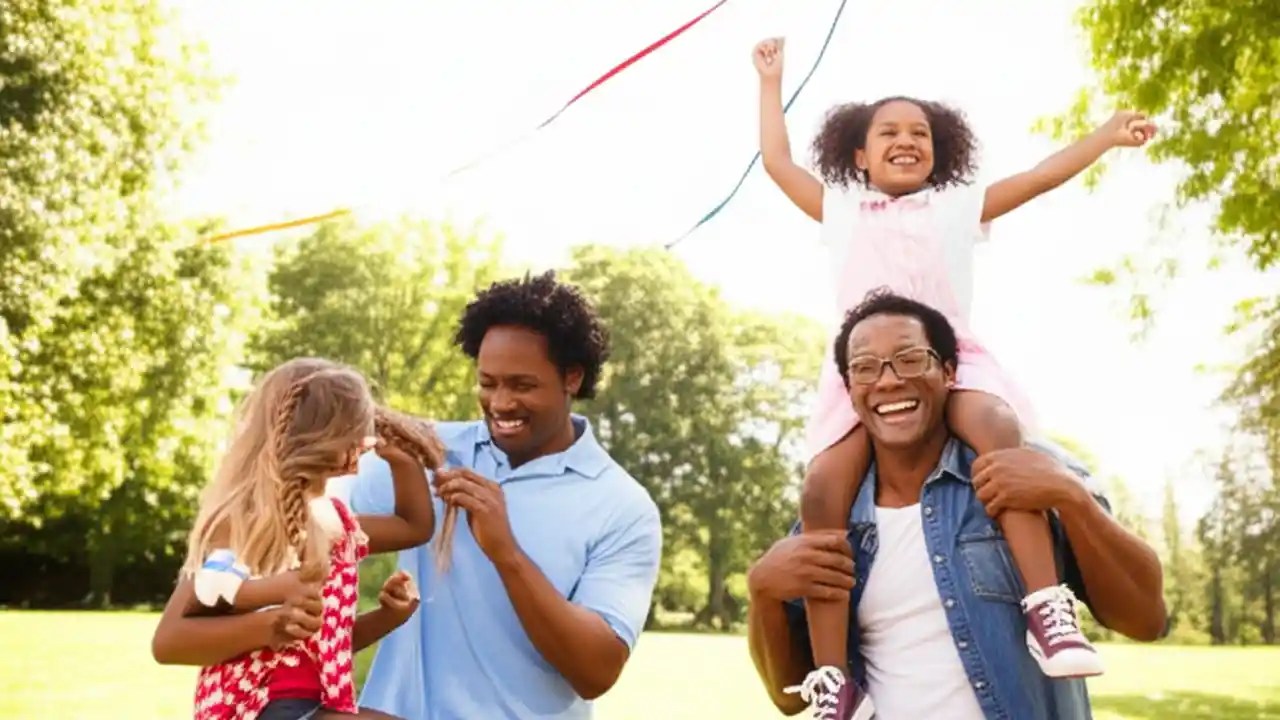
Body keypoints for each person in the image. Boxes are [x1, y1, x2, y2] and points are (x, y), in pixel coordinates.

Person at [751, 35, 1158, 702]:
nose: (906, 140)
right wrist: (771, 82)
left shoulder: (954, 208)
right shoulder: (841, 209)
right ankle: (833, 681)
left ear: (940, 153)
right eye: (889, 131)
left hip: (951, 362)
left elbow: (1040, 177)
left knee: (997, 426)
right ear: (860, 152)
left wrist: (1104, 136)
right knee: (823, 492)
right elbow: (775, 161)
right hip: (863, 373)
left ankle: (1045, 605)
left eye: (920, 133)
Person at [745, 290, 1167, 720]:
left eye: (910, 359)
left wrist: (1074, 499)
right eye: (865, 368)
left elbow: (1145, 619)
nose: (889, 381)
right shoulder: (832, 520)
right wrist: (762, 593)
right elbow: (789, 698)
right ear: (850, 391)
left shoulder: (1023, 473)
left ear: (948, 371)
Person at [332, 271, 663, 720]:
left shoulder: (621, 506)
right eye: (488, 383)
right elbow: (299, 515)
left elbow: (596, 671)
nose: (500, 403)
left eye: (522, 385)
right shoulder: (426, 453)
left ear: (572, 377)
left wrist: (506, 552)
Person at [151, 357, 445, 720]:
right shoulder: (248, 522)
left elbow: (413, 527)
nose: (366, 443)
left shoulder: (336, 523)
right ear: (320, 436)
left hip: (308, 705)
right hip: (252, 705)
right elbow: (169, 641)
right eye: (355, 431)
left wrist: (387, 617)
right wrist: (270, 621)